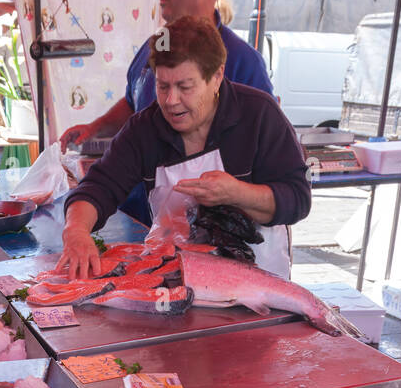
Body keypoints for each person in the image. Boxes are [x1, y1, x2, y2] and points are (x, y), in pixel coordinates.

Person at [61, 16, 311, 280]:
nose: (171, 101)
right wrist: (76, 231)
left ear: (216, 77)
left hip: (261, 286)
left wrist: (237, 193)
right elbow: (98, 188)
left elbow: (298, 199)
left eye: (185, 87)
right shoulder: (144, 129)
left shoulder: (259, 115)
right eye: (162, 86)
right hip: (179, 285)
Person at [61, 0, 274, 220]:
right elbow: (132, 101)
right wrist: (95, 128)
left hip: (211, 231)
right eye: (163, 87)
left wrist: (240, 196)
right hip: (138, 214)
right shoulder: (156, 46)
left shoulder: (244, 62)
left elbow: (272, 168)